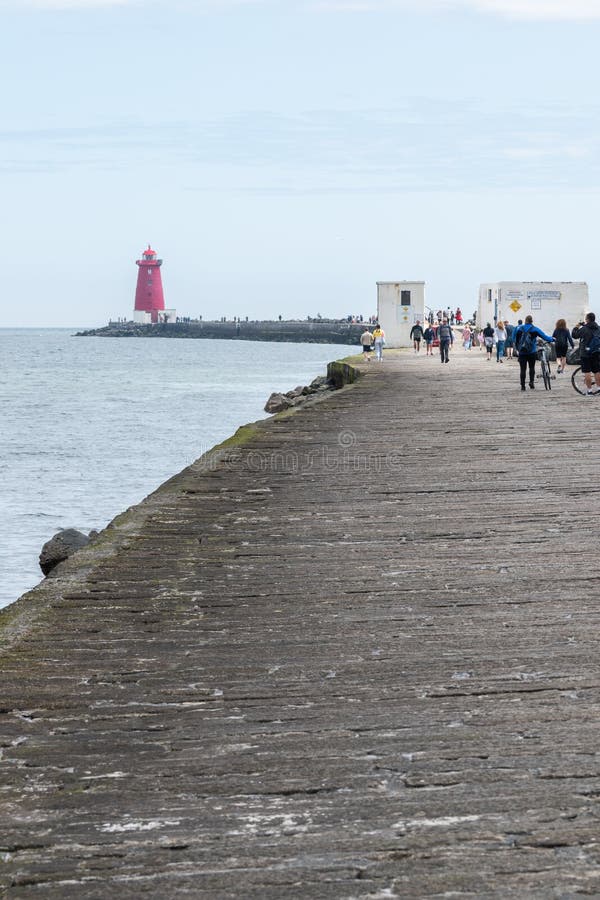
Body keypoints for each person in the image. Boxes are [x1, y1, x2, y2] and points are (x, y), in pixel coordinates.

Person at [514, 315, 555, 391]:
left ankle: (523, 385)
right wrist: (552, 339)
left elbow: (515, 339)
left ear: (525, 320)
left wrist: (518, 349)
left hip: (522, 352)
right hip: (531, 352)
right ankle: (531, 382)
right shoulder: (535, 329)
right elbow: (545, 337)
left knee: (523, 369)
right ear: (532, 321)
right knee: (531, 368)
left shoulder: (519, 329)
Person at [572, 312, 600, 394]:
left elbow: (574, 335)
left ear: (587, 319)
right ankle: (599, 388)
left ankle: (590, 391)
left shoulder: (584, 329)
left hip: (585, 353)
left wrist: (577, 326)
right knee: (597, 371)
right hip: (596, 352)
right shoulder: (598, 328)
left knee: (587, 371)